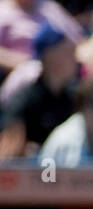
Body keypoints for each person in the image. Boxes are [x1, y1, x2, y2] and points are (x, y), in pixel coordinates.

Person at [0, 25, 77, 158]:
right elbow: (9, 147)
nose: (75, 61)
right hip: (34, 174)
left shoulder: (72, 97)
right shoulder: (25, 99)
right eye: (68, 54)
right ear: (51, 57)